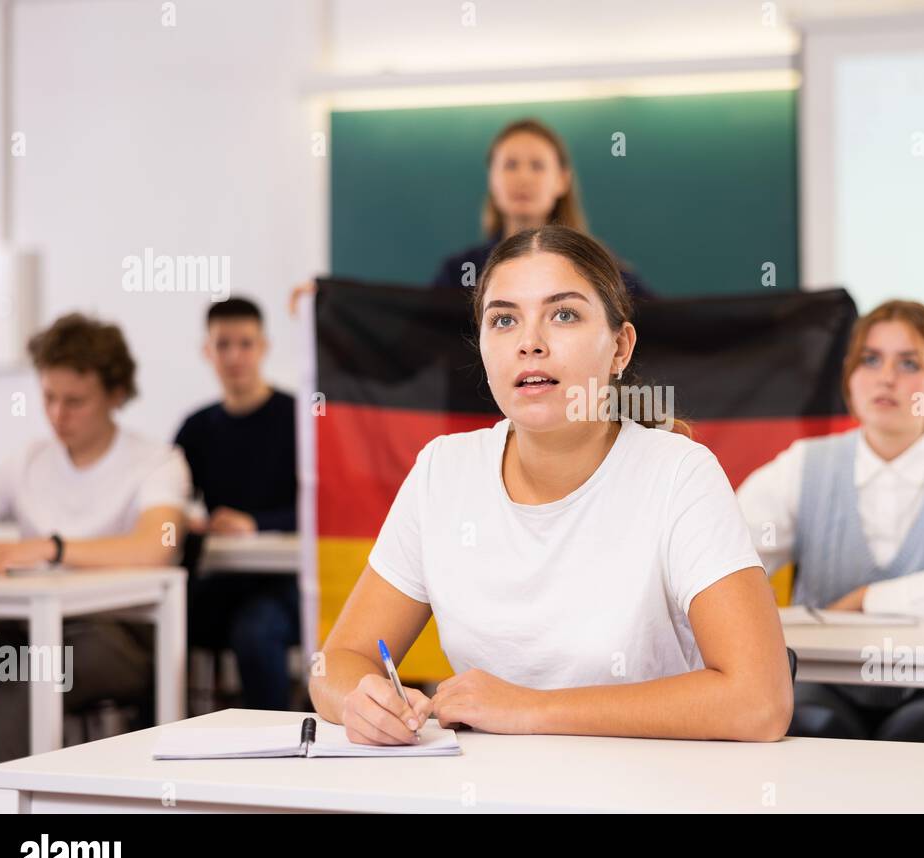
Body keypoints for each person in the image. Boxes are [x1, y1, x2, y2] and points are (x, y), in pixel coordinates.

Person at [308, 225, 790, 744]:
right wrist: (361, 700)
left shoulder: (680, 474)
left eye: (564, 315)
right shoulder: (441, 471)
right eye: (504, 320)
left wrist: (530, 710)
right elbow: (335, 663)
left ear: (620, 348)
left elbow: (759, 702)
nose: (530, 343)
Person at [736, 300, 924, 743]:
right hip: (824, 682)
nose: (886, 377)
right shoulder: (804, 464)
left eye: (908, 363)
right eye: (870, 360)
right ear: (850, 381)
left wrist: (865, 598)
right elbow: (727, 559)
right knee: (807, 726)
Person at [0, 313, 189, 812]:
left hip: (118, 636)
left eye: (75, 401)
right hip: (26, 626)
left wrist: (53, 548)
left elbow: (157, 544)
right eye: (48, 397)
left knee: (17, 693)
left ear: (115, 395)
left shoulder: (156, 461)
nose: (57, 414)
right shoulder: (28, 460)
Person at [173, 297, 299, 711]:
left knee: (256, 629)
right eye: (223, 344)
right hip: (224, 577)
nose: (234, 356)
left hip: (289, 580)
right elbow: (167, 496)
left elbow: (322, 509)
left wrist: (255, 523)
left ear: (263, 347)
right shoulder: (196, 427)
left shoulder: (298, 418)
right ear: (206, 351)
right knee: (163, 622)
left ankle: (276, 746)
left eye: (245, 343)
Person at [432, 118, 653, 300]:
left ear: (562, 181)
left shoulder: (601, 267)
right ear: (492, 180)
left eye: (537, 166)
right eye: (510, 165)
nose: (523, 178)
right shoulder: (459, 272)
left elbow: (661, 324)